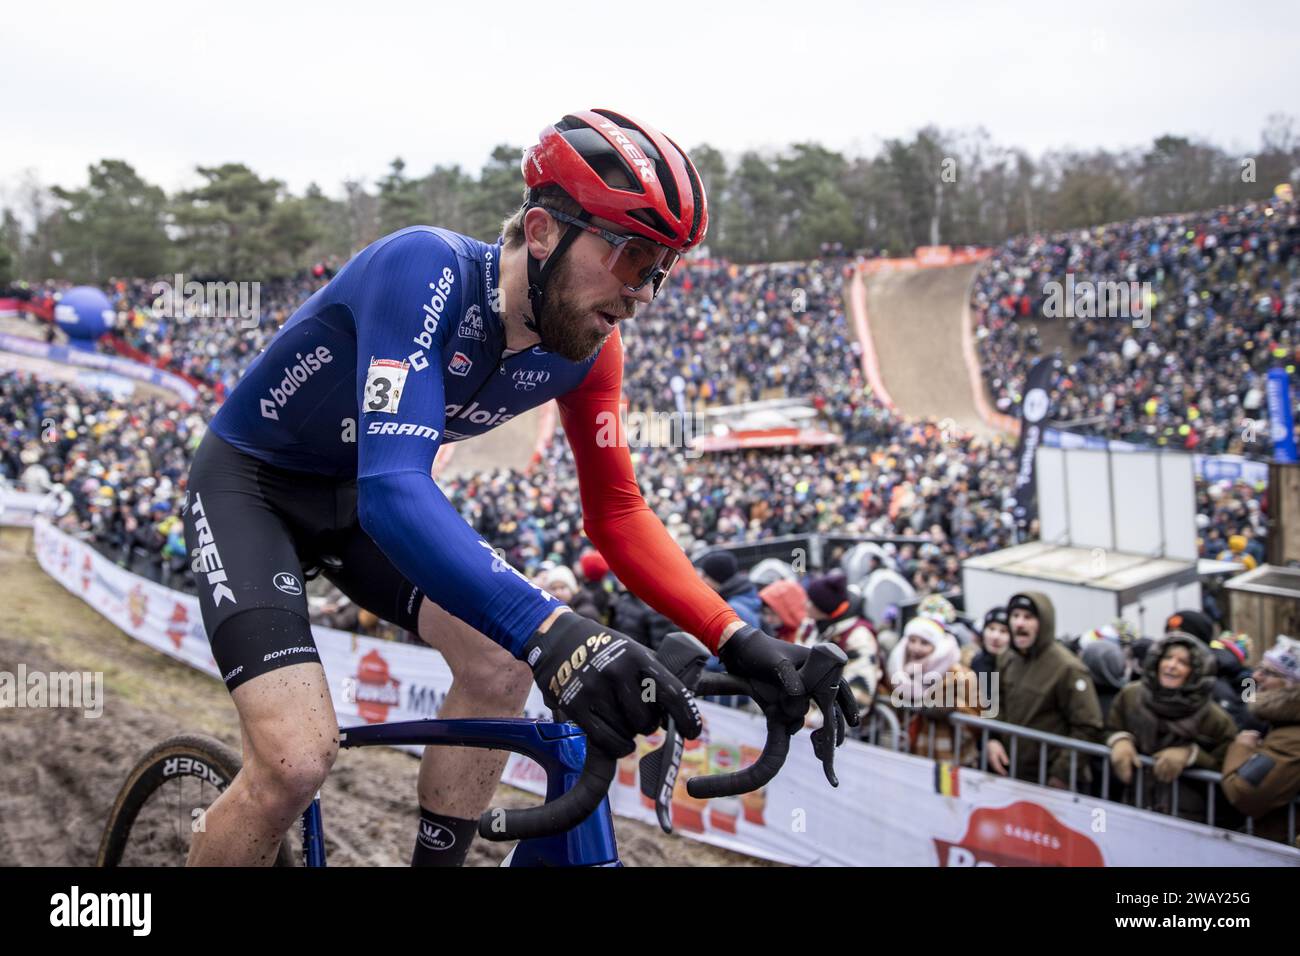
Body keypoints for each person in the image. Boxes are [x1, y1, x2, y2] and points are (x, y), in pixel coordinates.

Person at [181, 108, 857, 866]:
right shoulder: (423, 270)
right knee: (296, 763)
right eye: (636, 258)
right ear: (542, 233)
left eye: (664, 271)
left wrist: (736, 635)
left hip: (362, 503)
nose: (645, 293)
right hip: (255, 490)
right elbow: (394, 489)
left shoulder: (591, 351)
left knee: (500, 667)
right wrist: (558, 632)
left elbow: (619, 513)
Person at [1105, 633, 1236, 820]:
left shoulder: (1215, 717)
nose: (1172, 665)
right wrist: (1120, 741)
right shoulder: (1131, 696)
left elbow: (1227, 768)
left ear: (1195, 672)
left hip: (1187, 818)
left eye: (1183, 662)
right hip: (1134, 805)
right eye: (1167, 658)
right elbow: (1108, 727)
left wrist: (1191, 755)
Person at [984, 592, 1104, 786]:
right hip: (1012, 772)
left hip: (1050, 779)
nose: (1019, 623)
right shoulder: (1006, 657)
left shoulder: (1068, 667)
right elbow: (996, 703)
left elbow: (1088, 726)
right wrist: (992, 739)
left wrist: (1062, 773)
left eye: (1028, 617)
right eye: (1015, 616)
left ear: (1044, 623)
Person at [1221, 636, 1300, 844]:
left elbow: (1243, 793)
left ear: (1292, 685)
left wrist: (1240, 748)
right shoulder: (1282, 721)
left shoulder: (1292, 739)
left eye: (1269, 672)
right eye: (1259, 668)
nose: (1256, 676)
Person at [885, 615, 980, 765]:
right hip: (915, 752)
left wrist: (953, 705)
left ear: (938, 647)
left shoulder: (959, 674)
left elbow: (977, 714)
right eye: (912, 640)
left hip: (952, 756)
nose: (915, 648)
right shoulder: (899, 673)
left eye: (924, 643)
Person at [806, 570, 881, 710]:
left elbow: (858, 695)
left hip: (831, 722)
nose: (806, 604)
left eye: (812, 602)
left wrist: (817, 719)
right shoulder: (815, 626)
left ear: (824, 608)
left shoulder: (859, 637)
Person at [969, 606, 1008, 678]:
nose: (995, 636)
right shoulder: (977, 662)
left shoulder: (1017, 667)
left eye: (1003, 631)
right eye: (991, 629)